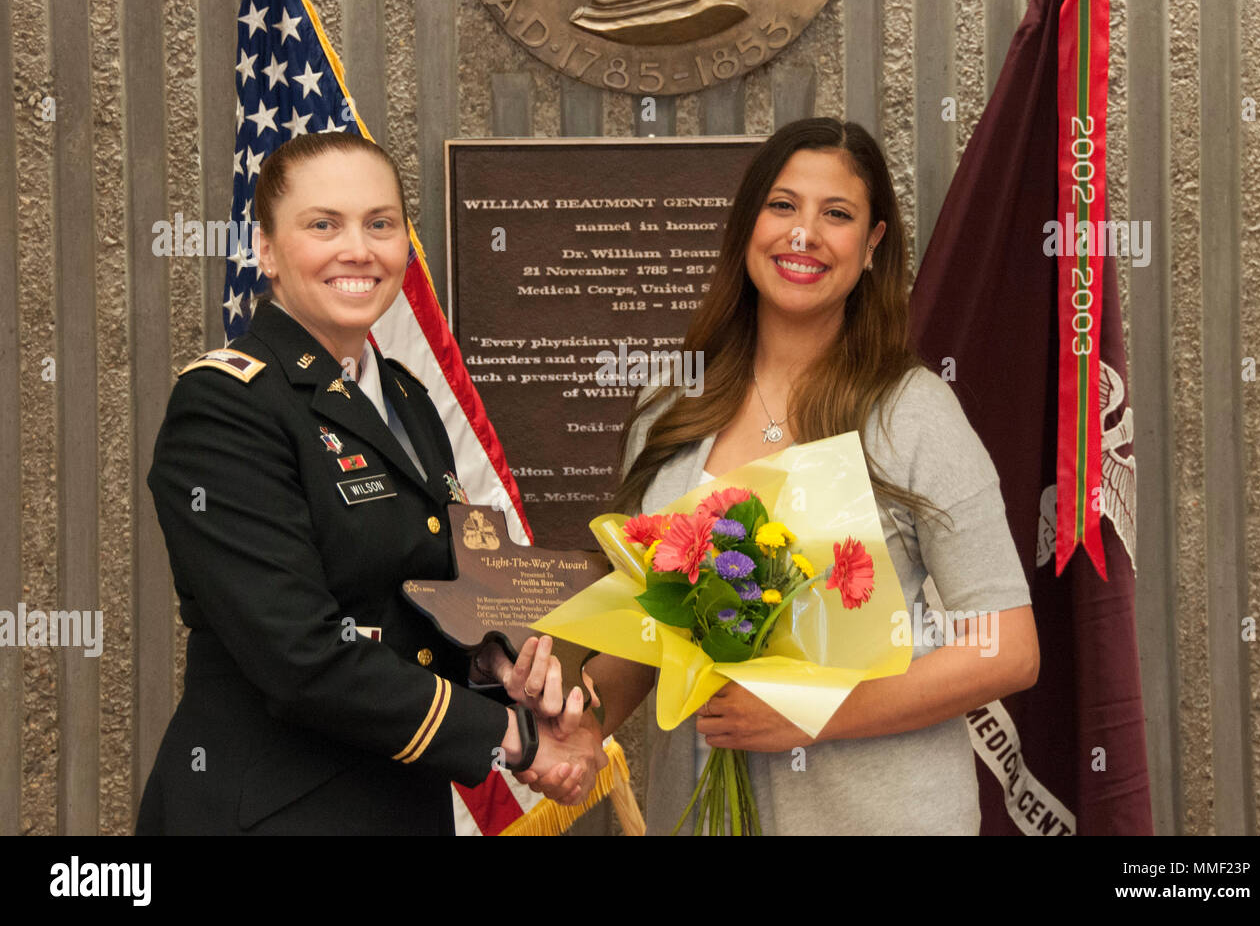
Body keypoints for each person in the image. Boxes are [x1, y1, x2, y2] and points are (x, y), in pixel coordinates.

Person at [581, 117, 1039, 835]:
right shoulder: (670, 407)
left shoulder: (915, 413)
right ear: (748, 226)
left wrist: (811, 711)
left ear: (872, 246)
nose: (804, 234)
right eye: (783, 206)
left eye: (838, 214)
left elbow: (1006, 647)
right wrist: (566, 717)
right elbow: (648, 637)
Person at [137, 131, 604, 835]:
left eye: (380, 224)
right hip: (271, 811)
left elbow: (414, 596)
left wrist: (498, 667)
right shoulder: (227, 404)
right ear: (265, 249)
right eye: (323, 224)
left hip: (400, 802)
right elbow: (299, 655)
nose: (358, 249)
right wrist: (516, 739)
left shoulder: (406, 401)